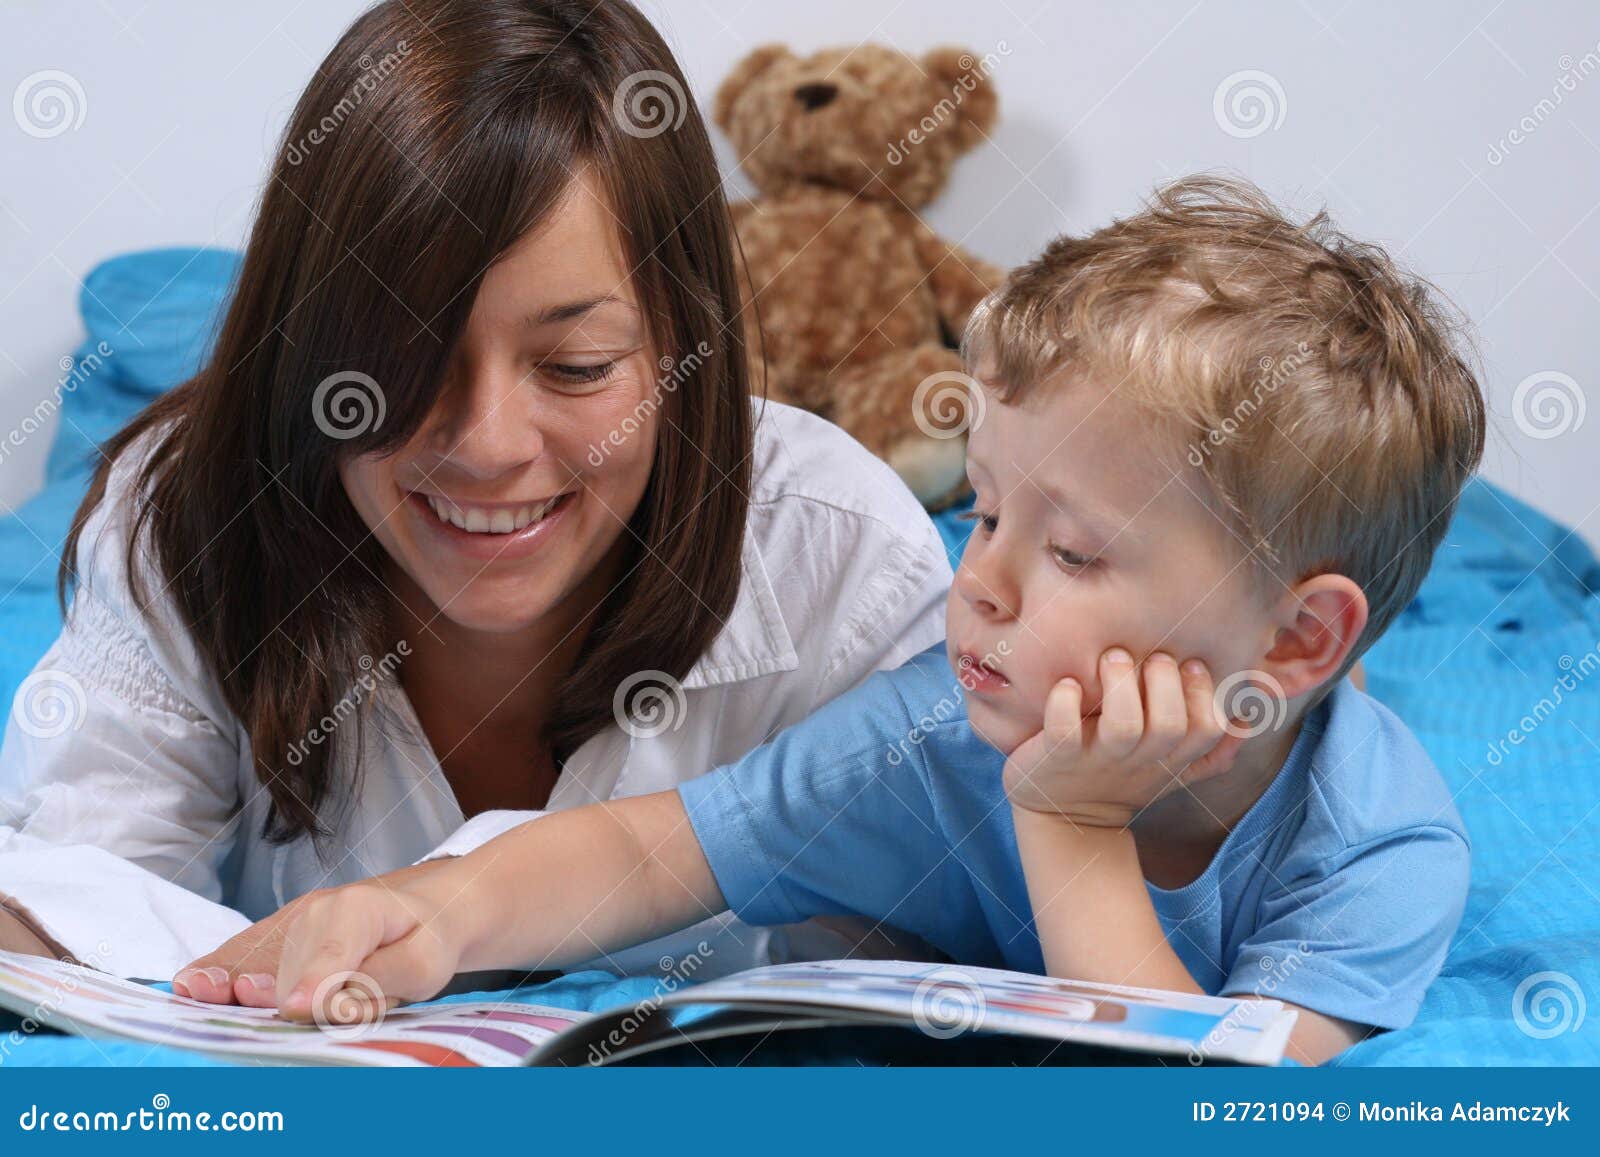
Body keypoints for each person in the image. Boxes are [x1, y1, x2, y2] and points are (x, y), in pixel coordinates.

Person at [266, 177, 1485, 1066]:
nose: (981, 583)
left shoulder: (1374, 846)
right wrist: (441, 910)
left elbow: (1197, 1103)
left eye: (1069, 549)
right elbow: (649, 850)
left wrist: (1067, 823)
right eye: (985, 509)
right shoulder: (929, 732)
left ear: (1297, 639)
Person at [0, 0, 952, 991]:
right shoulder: (192, 514)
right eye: (402, 361)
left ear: (684, 349)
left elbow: (929, 990)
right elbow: (83, 911)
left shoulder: (843, 556)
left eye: (578, 366)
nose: (489, 446)